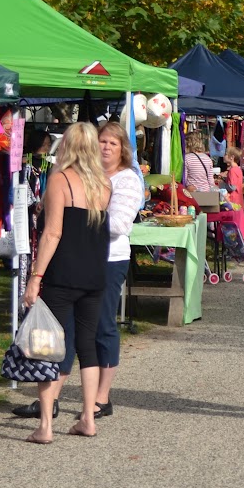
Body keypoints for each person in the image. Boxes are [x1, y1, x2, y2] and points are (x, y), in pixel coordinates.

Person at [21, 123, 111, 445]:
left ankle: (45, 426)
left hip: (63, 275)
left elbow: (53, 233)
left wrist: (35, 277)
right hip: (95, 275)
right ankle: (88, 416)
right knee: (87, 346)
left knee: (49, 347)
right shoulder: (104, 184)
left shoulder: (59, 181)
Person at [91, 121, 145, 419]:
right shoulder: (88, 174)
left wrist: (79, 219)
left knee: (103, 324)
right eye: (102, 141)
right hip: (81, 258)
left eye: (113, 143)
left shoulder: (128, 179)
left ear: (122, 149)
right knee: (77, 326)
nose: (106, 147)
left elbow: (118, 224)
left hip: (110, 258)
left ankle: (103, 396)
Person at [183, 131, 215, 196]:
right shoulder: (208, 159)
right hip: (206, 193)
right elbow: (211, 181)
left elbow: (184, 179)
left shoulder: (187, 158)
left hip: (192, 193)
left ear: (188, 144)